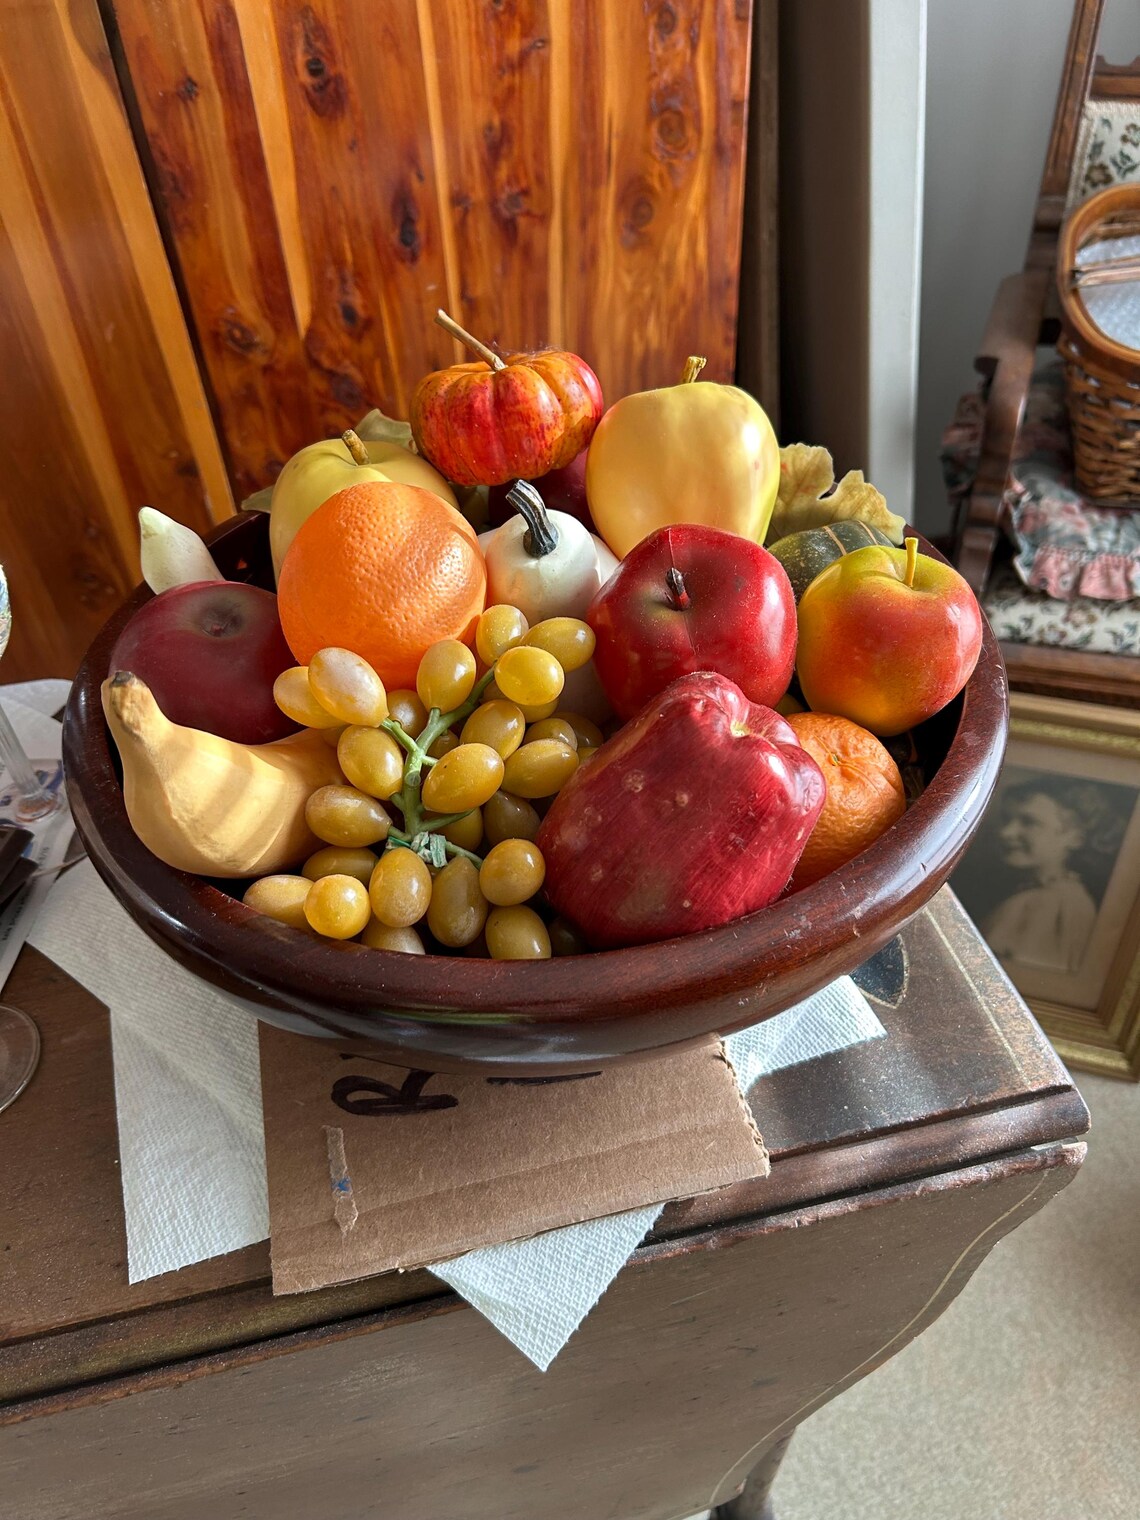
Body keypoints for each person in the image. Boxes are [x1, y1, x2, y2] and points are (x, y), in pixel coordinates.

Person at [982, 777, 1123, 974]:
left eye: (1028, 822)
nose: (1006, 832)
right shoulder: (1049, 895)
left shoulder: (1048, 904)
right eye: (1006, 819)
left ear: (1075, 837)